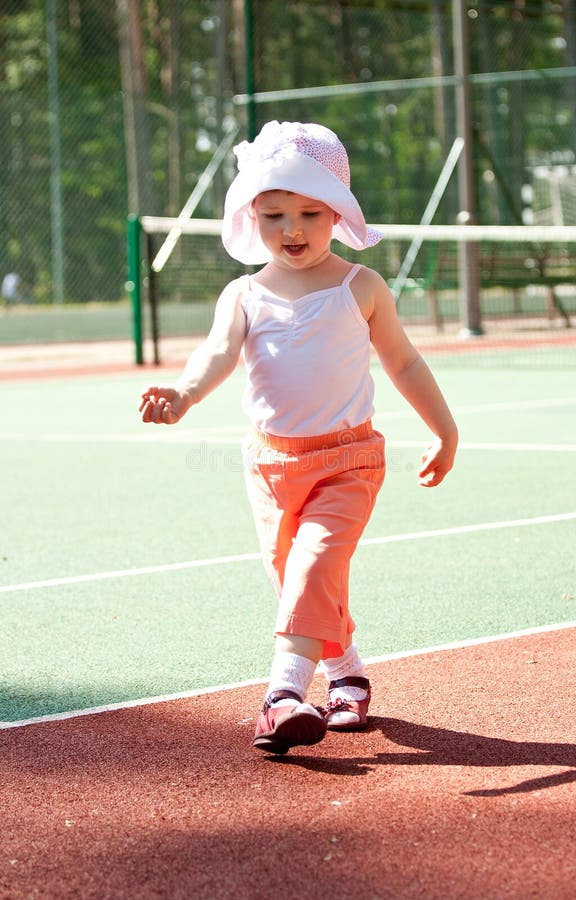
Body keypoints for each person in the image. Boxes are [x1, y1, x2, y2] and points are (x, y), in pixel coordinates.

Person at [139, 121, 458, 755]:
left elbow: (404, 362)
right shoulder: (244, 294)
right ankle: (349, 676)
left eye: (312, 212)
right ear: (250, 215)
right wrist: (182, 394)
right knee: (299, 580)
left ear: (337, 212)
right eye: (275, 213)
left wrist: (444, 430)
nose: (293, 228)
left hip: (348, 462)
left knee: (314, 565)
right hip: (270, 466)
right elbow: (216, 354)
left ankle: (282, 695)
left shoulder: (360, 287)